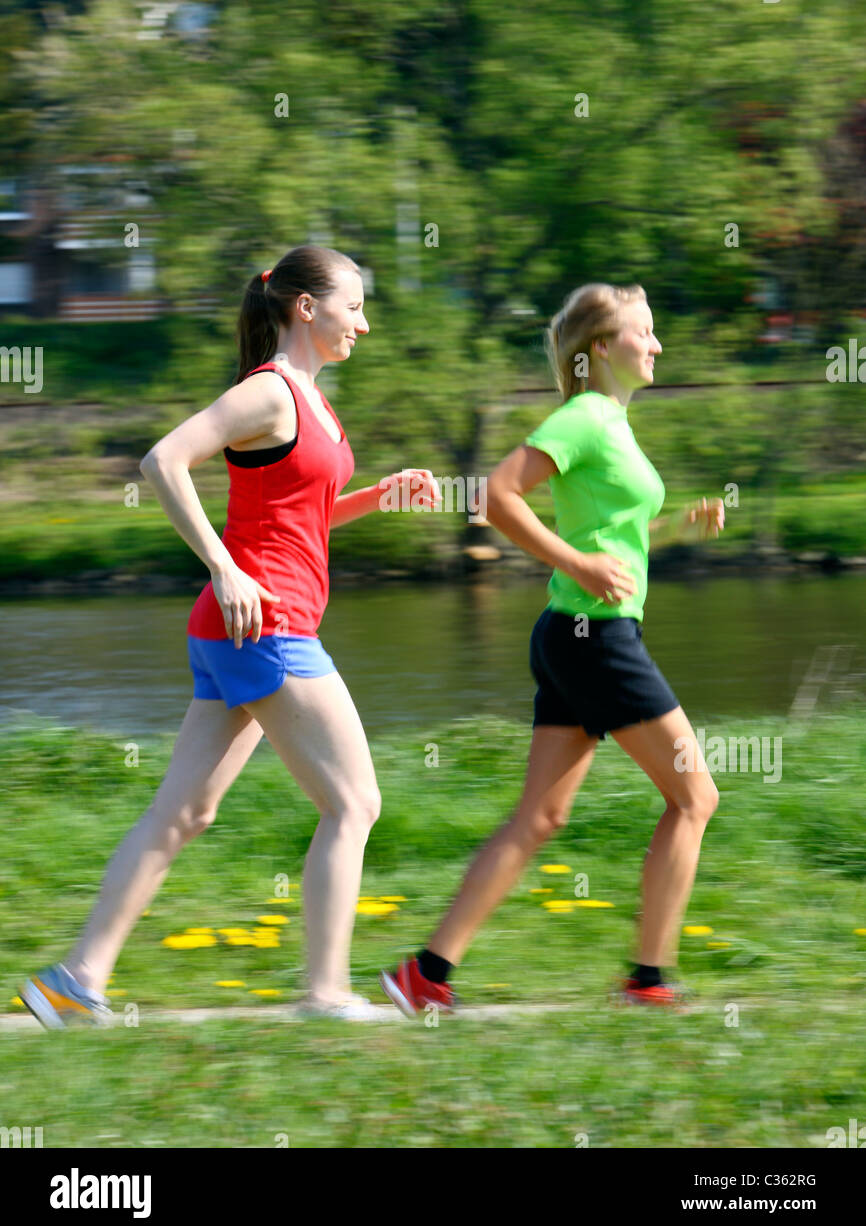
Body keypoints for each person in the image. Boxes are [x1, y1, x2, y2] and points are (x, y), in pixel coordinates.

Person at [20, 244, 440, 1028]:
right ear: (306, 308)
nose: (366, 323)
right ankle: (325, 995)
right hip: (264, 622)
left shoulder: (312, 401)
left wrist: (379, 495)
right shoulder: (270, 393)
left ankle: (72, 983)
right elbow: (162, 461)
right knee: (355, 802)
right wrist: (224, 566)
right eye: (354, 307)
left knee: (186, 814)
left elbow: (299, 519)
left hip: (242, 629)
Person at [380, 281, 724, 1017]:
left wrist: (672, 533)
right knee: (696, 795)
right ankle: (650, 980)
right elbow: (497, 497)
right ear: (601, 347)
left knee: (541, 818)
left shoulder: (613, 424)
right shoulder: (587, 418)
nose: (658, 344)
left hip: (574, 635)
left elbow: (607, 544)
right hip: (594, 639)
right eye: (644, 331)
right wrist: (577, 565)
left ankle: (425, 975)